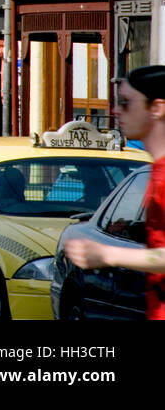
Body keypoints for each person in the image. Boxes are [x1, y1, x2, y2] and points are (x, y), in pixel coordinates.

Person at [64, 65, 165, 319]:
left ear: (157, 108)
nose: (115, 111)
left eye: (126, 103)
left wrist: (107, 253)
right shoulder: (153, 171)